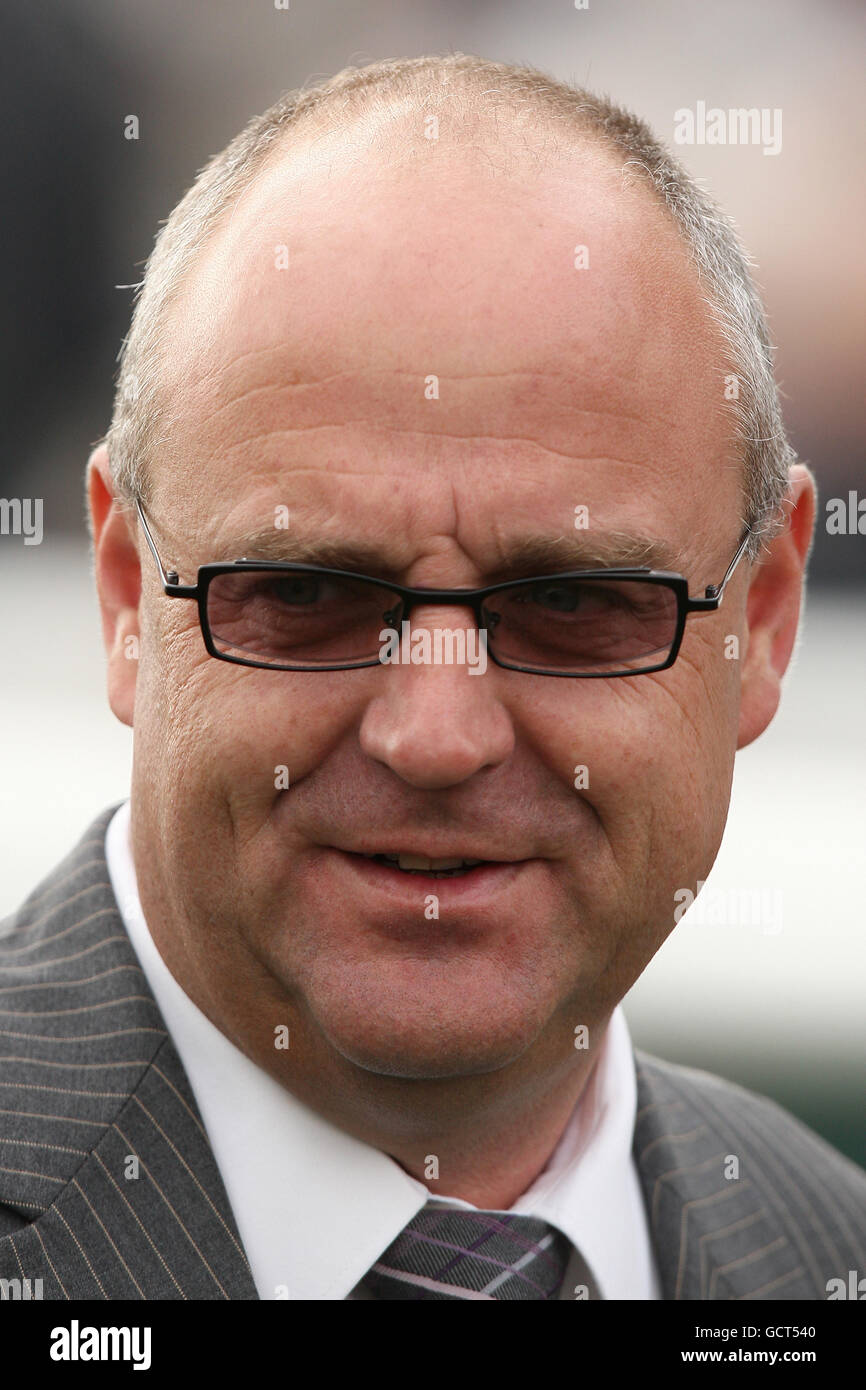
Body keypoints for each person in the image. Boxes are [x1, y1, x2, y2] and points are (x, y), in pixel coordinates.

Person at [1, 53, 863, 1303]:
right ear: (128, 593)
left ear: (763, 620)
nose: (437, 732)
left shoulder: (823, 1254)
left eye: (569, 604)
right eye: (303, 592)